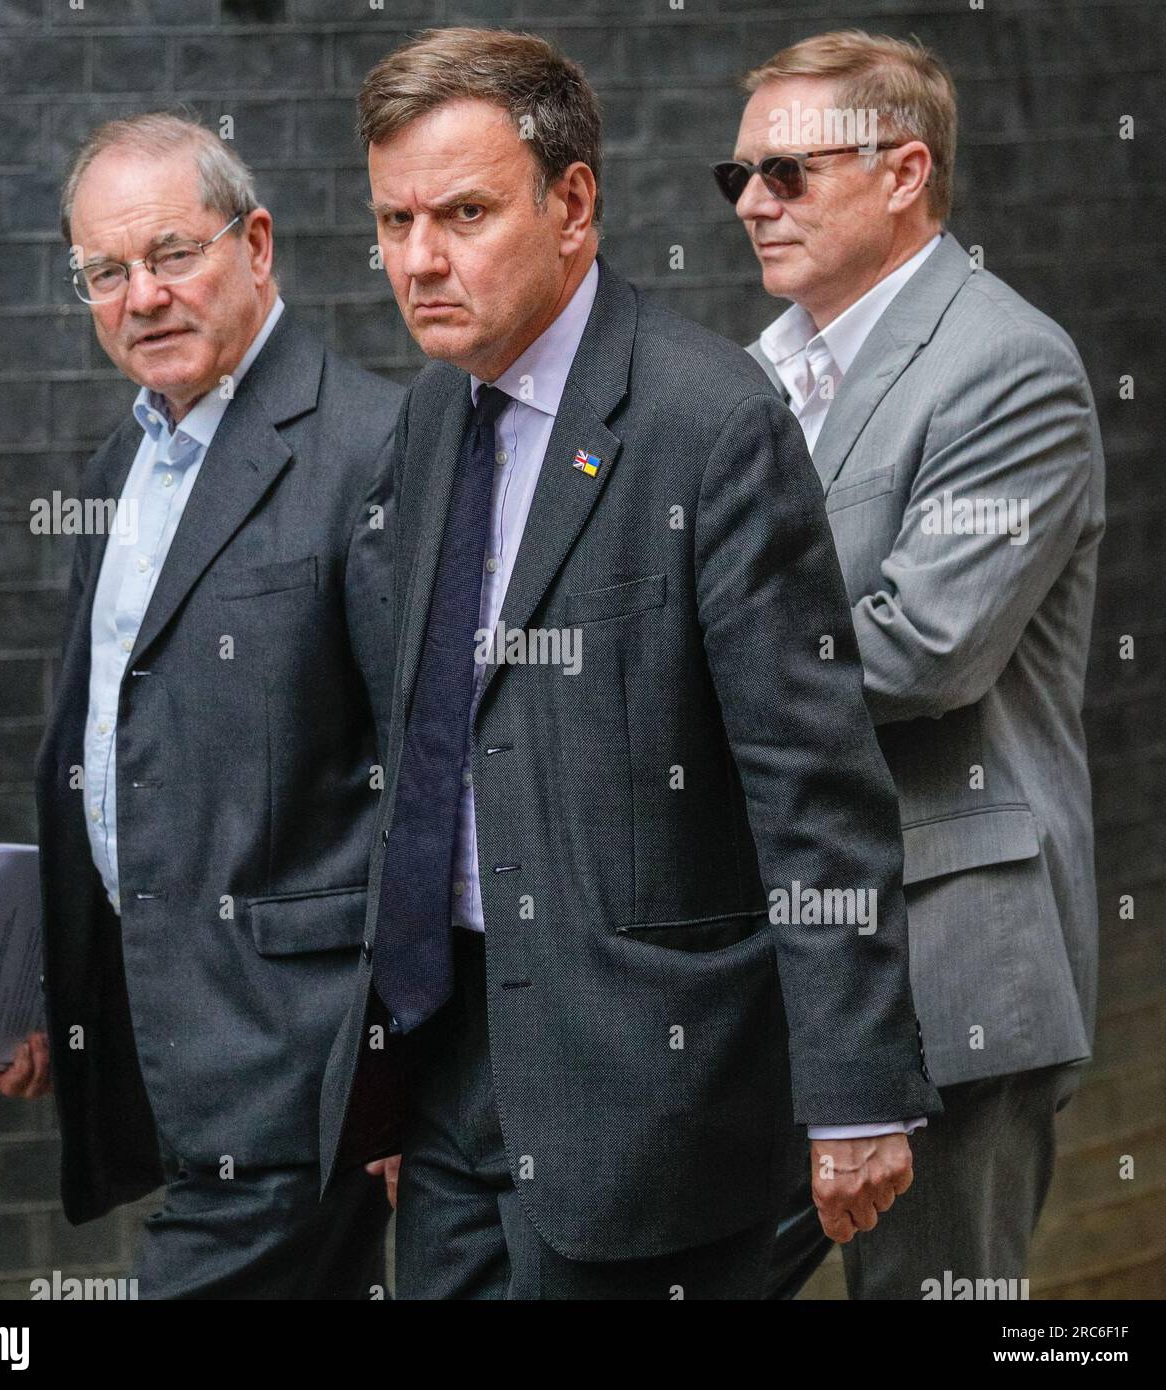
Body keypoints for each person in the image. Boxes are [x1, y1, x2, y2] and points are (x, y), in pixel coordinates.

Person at [317, 26, 941, 1300]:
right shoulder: (431, 415)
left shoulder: (708, 424)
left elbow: (811, 781)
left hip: (645, 1085)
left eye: (465, 212)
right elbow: (426, 736)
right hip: (449, 1067)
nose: (420, 259)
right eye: (393, 222)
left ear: (575, 203)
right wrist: (389, 1058)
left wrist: (855, 1088)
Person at [0, 112, 403, 1298]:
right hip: (167, 1045)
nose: (144, 295)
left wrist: (404, 1076)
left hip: (305, 1063)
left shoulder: (370, 446)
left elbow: (436, 781)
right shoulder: (120, 469)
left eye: (174, 253)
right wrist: (56, 989)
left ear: (256, 243)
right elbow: (114, 751)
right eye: (106, 273)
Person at [716, 30, 1104, 1299]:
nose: (753, 203)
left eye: (787, 174)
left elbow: (923, 647)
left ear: (903, 172)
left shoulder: (1007, 367)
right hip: (779, 957)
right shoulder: (768, 367)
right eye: (738, 180)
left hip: (949, 953)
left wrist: (665, 678)